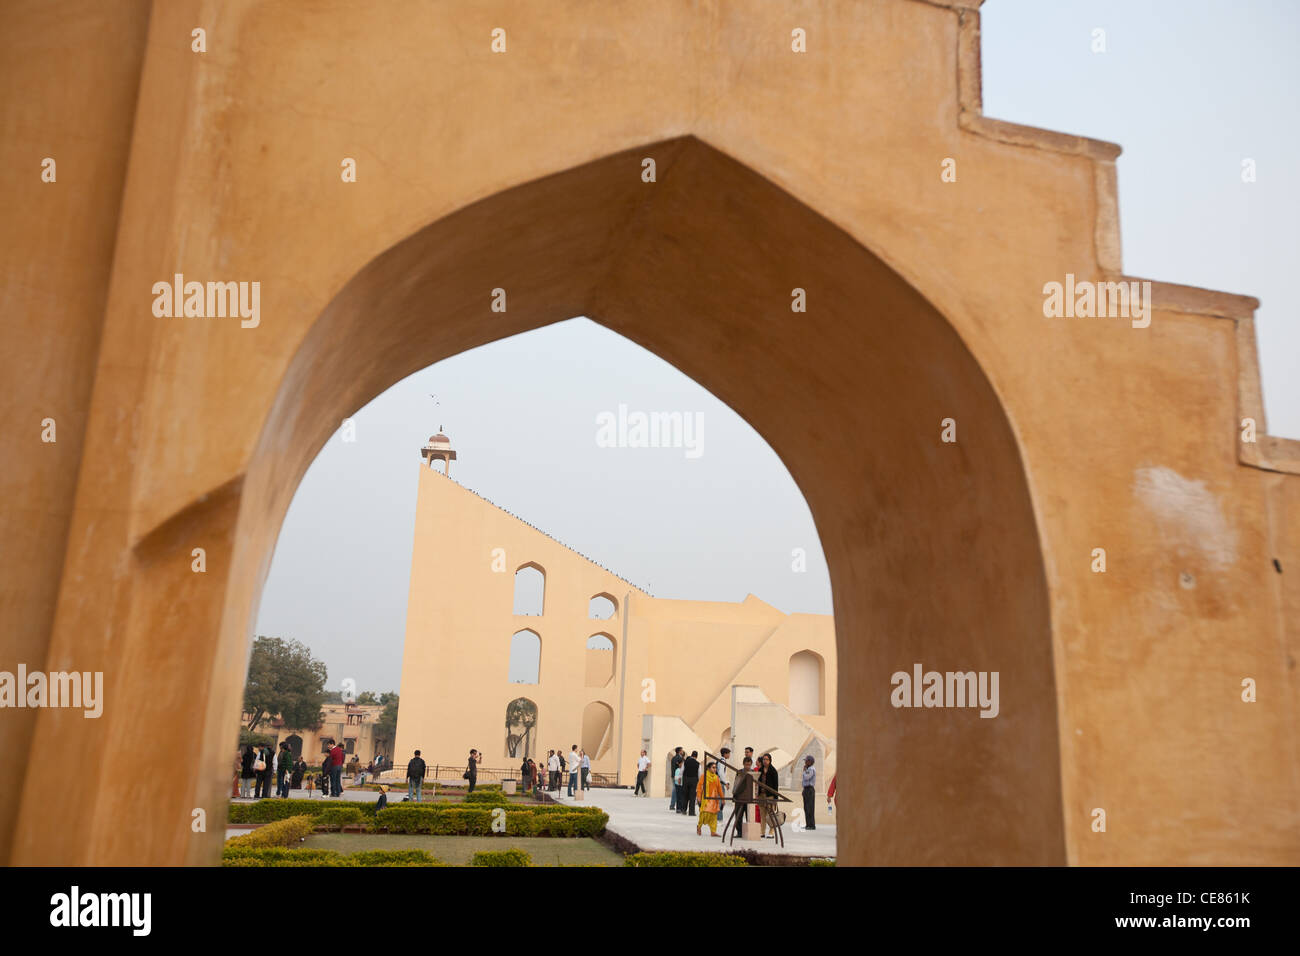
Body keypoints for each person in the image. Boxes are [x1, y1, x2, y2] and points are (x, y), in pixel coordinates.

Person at [696, 761, 724, 836]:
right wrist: (698, 797)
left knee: (714, 815)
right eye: (713, 767)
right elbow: (699, 787)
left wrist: (723, 799)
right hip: (706, 799)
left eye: (715, 768)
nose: (715, 769)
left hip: (714, 799)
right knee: (704, 814)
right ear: (708, 768)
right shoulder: (703, 776)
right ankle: (699, 826)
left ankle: (713, 831)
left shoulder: (716, 777)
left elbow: (719, 789)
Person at [730, 756, 756, 835]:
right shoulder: (739, 772)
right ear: (743, 764)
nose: (747, 767)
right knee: (738, 816)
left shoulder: (753, 773)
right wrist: (734, 794)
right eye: (746, 765)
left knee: (749, 816)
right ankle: (739, 832)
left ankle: (748, 832)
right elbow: (736, 783)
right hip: (740, 797)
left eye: (749, 765)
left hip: (749, 797)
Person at [758, 753, 779, 838]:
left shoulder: (773, 771)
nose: (765, 761)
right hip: (761, 795)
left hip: (770, 795)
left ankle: (771, 832)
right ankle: (762, 832)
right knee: (762, 815)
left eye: (766, 759)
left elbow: (775, 785)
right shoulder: (760, 770)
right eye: (763, 759)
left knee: (770, 815)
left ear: (770, 760)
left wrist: (775, 798)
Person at [680, 750, 700, 816]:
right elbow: (700, 774)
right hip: (694, 780)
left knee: (685, 794)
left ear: (691, 755)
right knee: (692, 796)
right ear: (696, 756)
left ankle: (683, 810)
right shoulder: (698, 764)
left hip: (686, 779)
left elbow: (682, 770)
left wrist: (680, 778)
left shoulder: (685, 762)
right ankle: (691, 812)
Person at [801, 755, 817, 830]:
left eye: (806, 761)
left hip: (809, 789)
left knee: (810, 807)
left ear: (810, 762)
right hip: (806, 789)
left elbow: (807, 777)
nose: (805, 762)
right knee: (806, 807)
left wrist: (804, 771)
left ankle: (811, 825)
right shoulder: (808, 769)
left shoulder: (811, 769)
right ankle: (808, 824)